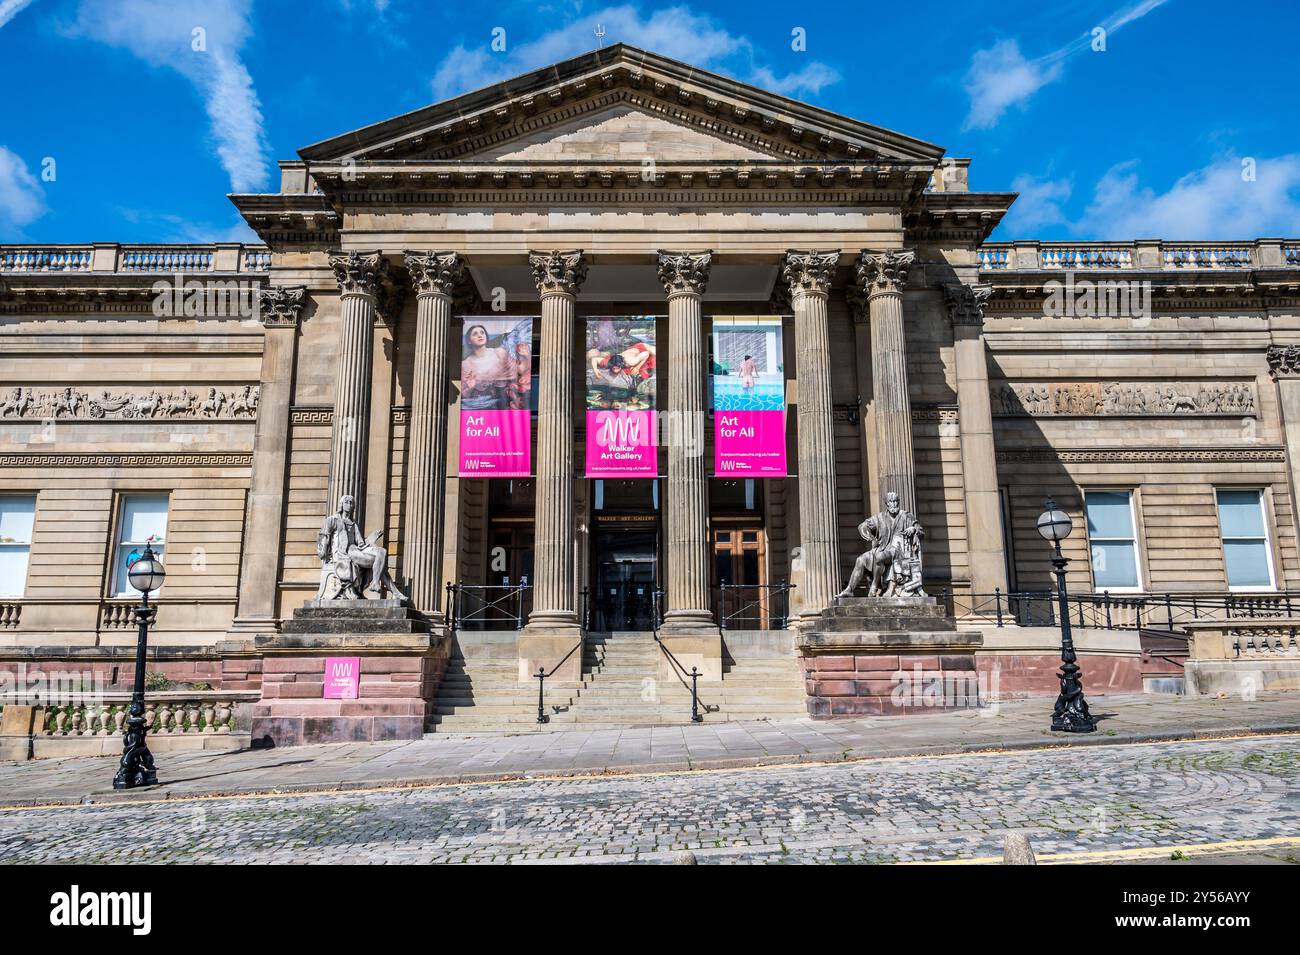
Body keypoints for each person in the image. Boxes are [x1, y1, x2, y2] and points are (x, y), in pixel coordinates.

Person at [315, 495, 408, 601]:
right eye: (347, 502)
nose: (350, 505)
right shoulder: (332, 520)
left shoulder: (354, 525)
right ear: (342, 504)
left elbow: (362, 544)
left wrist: (372, 538)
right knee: (379, 563)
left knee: (382, 552)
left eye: (351, 503)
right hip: (344, 554)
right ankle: (394, 592)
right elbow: (323, 536)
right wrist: (322, 552)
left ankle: (376, 583)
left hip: (355, 550)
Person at [460, 323, 516, 411]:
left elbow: (514, 375)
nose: (480, 335)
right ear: (469, 341)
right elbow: (463, 396)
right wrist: (470, 388)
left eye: (482, 333)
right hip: (479, 409)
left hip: (504, 405)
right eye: (475, 334)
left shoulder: (500, 353)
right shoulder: (465, 364)